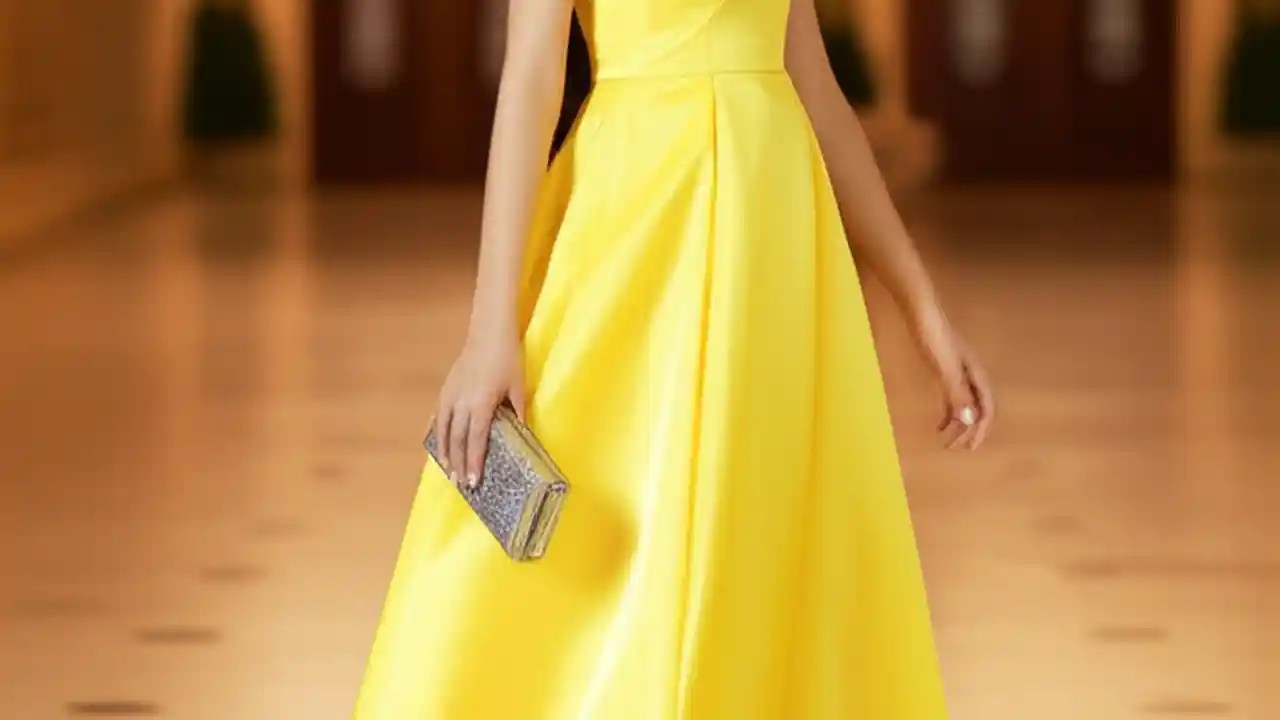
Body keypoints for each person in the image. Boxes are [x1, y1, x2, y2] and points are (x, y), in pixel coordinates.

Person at [354, 0, 994, 717]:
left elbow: (816, 90)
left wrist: (924, 310)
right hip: (638, 221)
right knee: (611, 524)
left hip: (772, 238)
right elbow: (531, 75)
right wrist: (489, 329)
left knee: (755, 530)